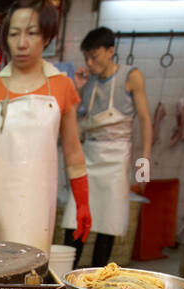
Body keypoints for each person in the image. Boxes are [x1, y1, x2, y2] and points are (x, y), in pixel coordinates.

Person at [0, 0, 90, 254]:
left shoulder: (62, 86)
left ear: (46, 37)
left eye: (31, 33)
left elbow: (73, 152)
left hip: (40, 202)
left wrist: (83, 202)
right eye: (14, 34)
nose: (22, 43)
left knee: (31, 271)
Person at [61, 27, 153, 268]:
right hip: (88, 156)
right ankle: (64, 275)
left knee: (107, 224)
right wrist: (77, 86)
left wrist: (144, 161)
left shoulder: (131, 77)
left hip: (116, 159)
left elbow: (144, 119)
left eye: (95, 57)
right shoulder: (86, 79)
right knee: (74, 221)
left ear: (110, 51)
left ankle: (96, 281)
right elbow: (68, 115)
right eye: (86, 58)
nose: (90, 63)